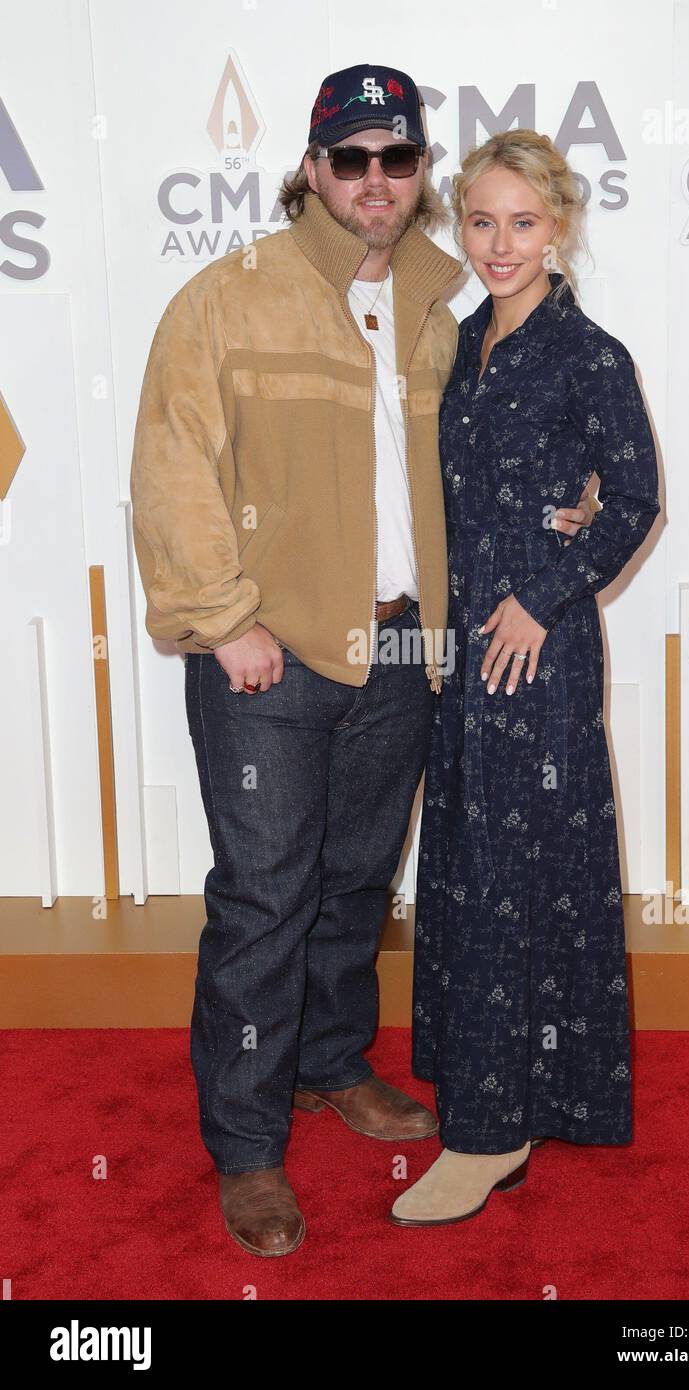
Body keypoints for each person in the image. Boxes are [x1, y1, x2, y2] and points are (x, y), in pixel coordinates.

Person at [130, 66, 595, 1258]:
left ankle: (332, 1064)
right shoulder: (227, 299)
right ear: (311, 167)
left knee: (351, 883)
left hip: (401, 643)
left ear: (421, 173)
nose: (376, 181)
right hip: (268, 648)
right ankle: (244, 1147)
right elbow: (174, 463)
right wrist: (219, 617)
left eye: (398, 160)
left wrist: (576, 509)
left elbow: (502, 456)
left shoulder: (449, 300)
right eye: (352, 160)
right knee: (263, 899)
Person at [391, 130, 661, 1227]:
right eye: (481, 222)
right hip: (458, 651)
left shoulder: (590, 355)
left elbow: (634, 501)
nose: (500, 245)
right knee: (471, 860)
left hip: (535, 654)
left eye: (524, 222)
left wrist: (545, 591)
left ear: (560, 227)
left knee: (517, 863)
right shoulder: (450, 347)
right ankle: (525, 1087)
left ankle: (490, 1132)